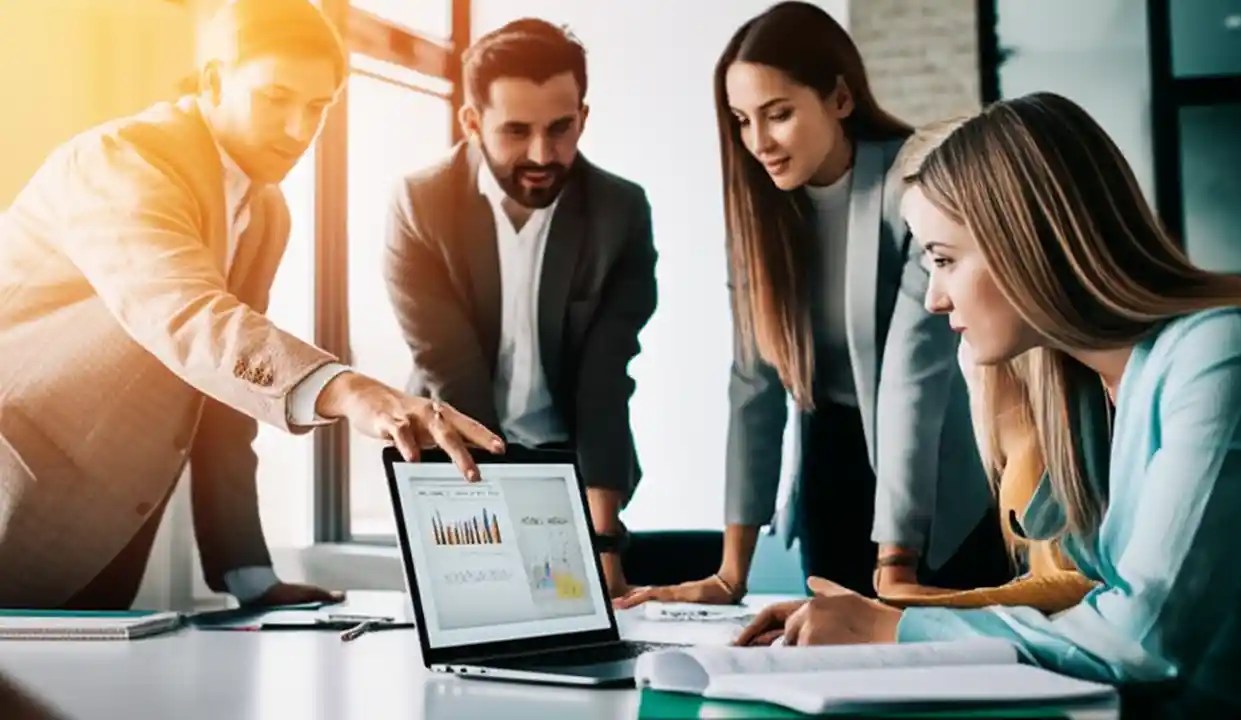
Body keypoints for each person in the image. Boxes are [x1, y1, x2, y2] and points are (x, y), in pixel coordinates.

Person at [738, 92, 1241, 716]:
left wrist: (892, 629)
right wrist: (887, 613)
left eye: (944, 260)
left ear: (1029, 241)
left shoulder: (1225, 353)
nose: (936, 299)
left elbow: (1141, 639)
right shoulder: (1080, 390)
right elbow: (1089, 602)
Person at [0, 0, 501, 610]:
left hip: (108, 534)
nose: (298, 129)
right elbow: (187, 316)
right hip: (16, 497)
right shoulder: (123, 160)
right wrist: (349, 391)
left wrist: (252, 578)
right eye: (275, 98)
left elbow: (224, 396)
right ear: (213, 81)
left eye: (318, 107)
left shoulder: (266, 213)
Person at [616, 1, 1006, 609]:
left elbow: (913, 377)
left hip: (928, 471)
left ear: (841, 99)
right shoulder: (762, 210)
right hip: (829, 461)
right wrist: (729, 575)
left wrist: (896, 564)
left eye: (778, 115)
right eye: (742, 120)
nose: (759, 142)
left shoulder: (914, 185)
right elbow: (753, 385)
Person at [383, 19, 657, 598]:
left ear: (584, 116)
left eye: (560, 128)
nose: (542, 154)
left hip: (571, 466)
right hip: (457, 451)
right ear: (472, 122)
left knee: (583, 616)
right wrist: (492, 530)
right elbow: (448, 368)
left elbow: (605, 381)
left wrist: (602, 545)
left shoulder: (620, 212)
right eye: (515, 131)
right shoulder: (420, 205)